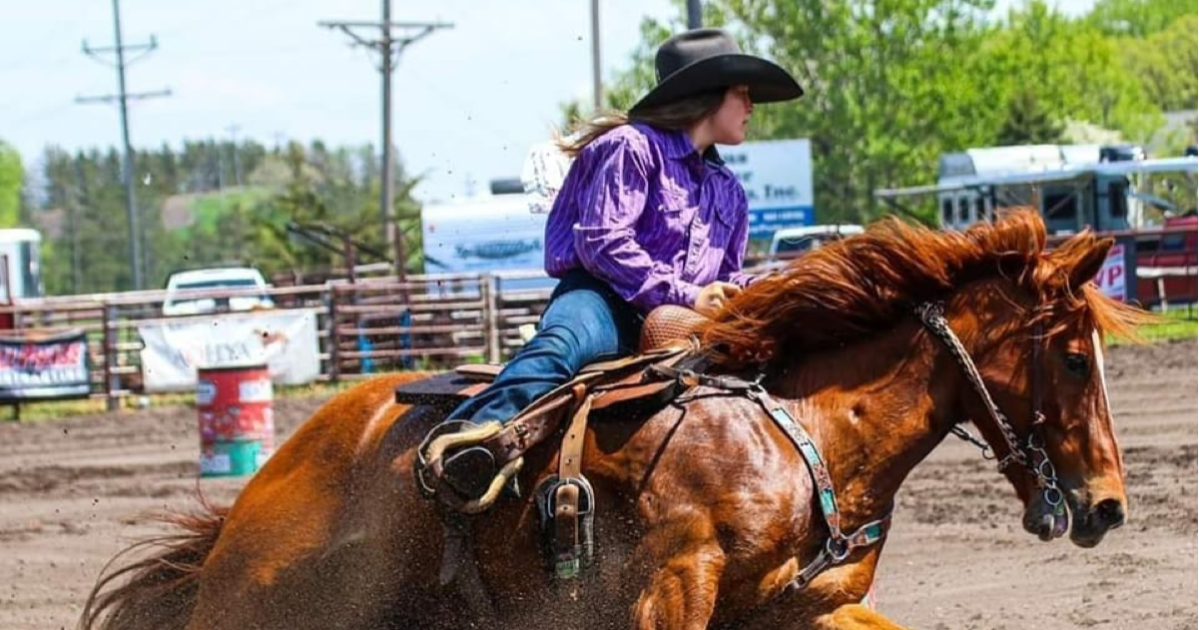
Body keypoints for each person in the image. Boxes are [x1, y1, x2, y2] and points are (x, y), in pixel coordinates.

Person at [418, 28, 803, 506]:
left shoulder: (729, 189)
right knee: (561, 348)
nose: (751, 106)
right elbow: (604, 241)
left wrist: (774, 289)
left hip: (682, 320)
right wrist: (687, 295)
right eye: (742, 93)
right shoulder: (631, 147)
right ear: (707, 95)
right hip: (603, 299)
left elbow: (725, 273)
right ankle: (469, 446)